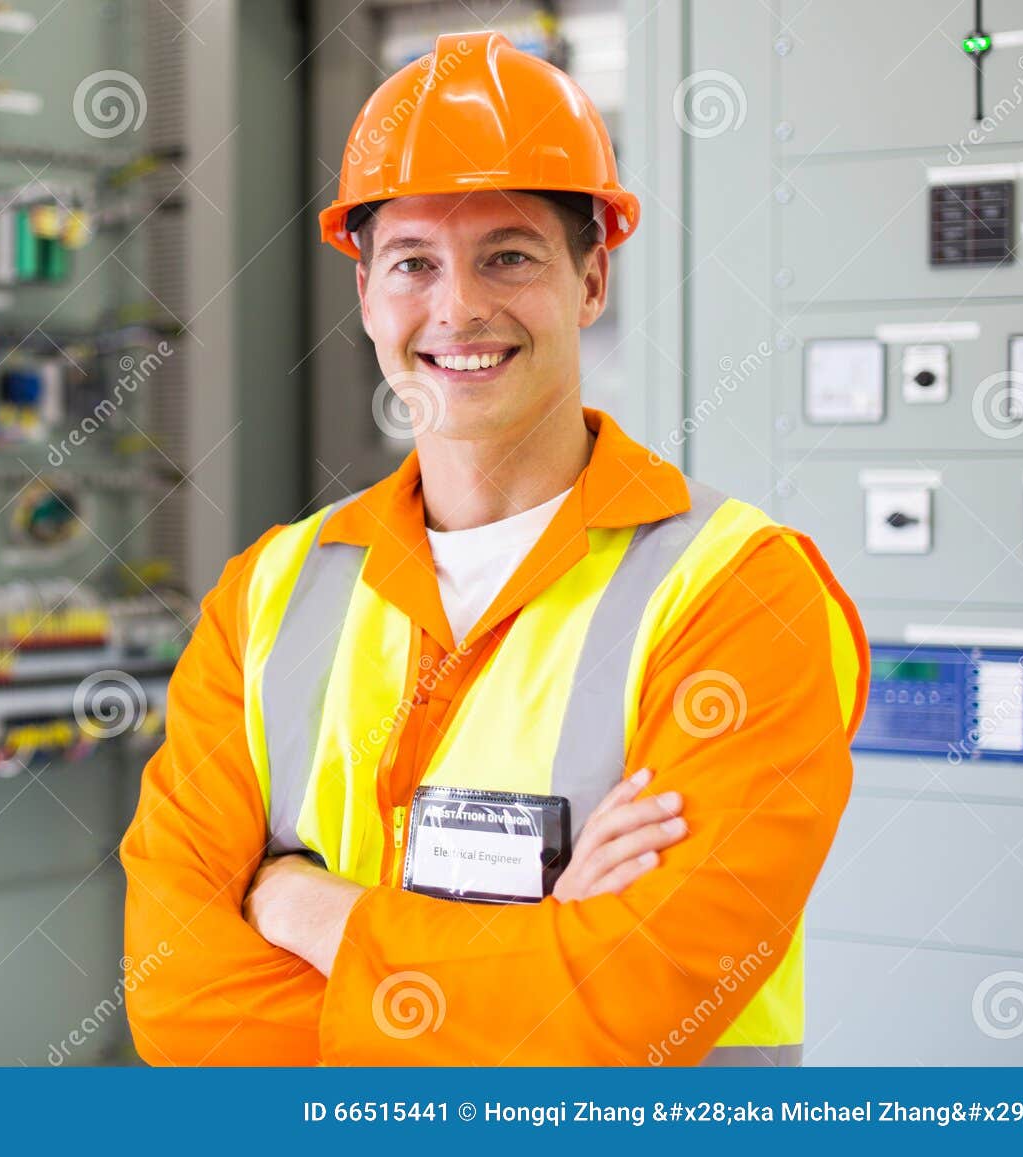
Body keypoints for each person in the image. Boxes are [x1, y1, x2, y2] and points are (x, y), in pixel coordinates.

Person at [120, 30, 867, 1066]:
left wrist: (302, 906)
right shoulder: (267, 594)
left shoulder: (742, 591)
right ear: (367, 295)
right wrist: (533, 953)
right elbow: (176, 1003)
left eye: (508, 255)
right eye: (412, 263)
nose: (457, 307)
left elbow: (630, 1008)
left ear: (591, 280)